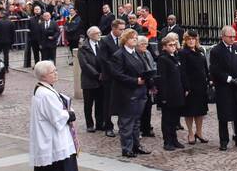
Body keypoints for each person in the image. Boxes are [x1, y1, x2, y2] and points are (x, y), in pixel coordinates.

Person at [28, 61, 82, 171]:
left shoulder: (45, 90)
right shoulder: (45, 94)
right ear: (44, 75)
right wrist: (69, 113)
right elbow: (56, 117)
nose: (56, 73)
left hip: (54, 139)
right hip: (53, 141)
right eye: (53, 72)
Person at [110, 30, 152, 159]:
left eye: (135, 38)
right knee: (127, 121)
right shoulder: (119, 55)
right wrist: (135, 81)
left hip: (140, 92)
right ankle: (127, 148)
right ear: (125, 40)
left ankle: (136, 145)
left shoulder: (137, 53)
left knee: (136, 121)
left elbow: (143, 69)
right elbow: (117, 74)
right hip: (127, 93)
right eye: (132, 38)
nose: (135, 39)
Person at [209, 26, 237, 150]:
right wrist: (229, 79)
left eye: (234, 36)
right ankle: (224, 140)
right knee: (224, 115)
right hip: (224, 87)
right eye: (230, 37)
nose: (233, 39)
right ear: (223, 37)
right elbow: (215, 69)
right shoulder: (216, 51)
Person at [155, 34, 188, 152]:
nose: (173, 47)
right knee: (167, 119)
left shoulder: (176, 57)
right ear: (164, 47)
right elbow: (162, 79)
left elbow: (181, 74)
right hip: (168, 94)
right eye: (170, 45)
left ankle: (174, 139)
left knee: (175, 118)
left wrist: (185, 88)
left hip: (177, 92)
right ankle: (167, 141)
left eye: (174, 45)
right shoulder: (163, 59)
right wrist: (163, 96)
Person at [179, 32, 210, 146]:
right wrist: (186, 86)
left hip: (201, 85)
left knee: (200, 111)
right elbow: (182, 71)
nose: (191, 41)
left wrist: (208, 79)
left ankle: (199, 132)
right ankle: (190, 133)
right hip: (190, 86)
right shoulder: (183, 53)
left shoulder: (200, 52)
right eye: (189, 39)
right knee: (190, 111)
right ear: (185, 40)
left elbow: (205, 68)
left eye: (193, 39)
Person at [78, 27, 109, 132]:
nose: (99, 35)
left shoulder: (102, 45)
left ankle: (100, 123)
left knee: (100, 103)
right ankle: (89, 124)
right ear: (90, 35)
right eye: (97, 33)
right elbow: (84, 65)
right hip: (89, 80)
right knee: (88, 104)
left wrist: (103, 73)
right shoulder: (83, 47)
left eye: (100, 33)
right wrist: (97, 74)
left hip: (101, 80)